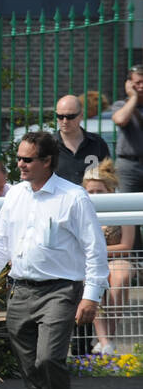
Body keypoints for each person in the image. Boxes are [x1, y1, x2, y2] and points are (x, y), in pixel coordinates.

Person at [0, 132, 108, 389]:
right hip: (20, 290)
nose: (19, 164)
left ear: (47, 161)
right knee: (30, 370)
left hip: (61, 291)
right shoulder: (15, 195)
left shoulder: (73, 197)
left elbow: (95, 250)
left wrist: (90, 296)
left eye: (27, 159)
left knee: (49, 361)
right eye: (18, 158)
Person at [81, 159, 134, 355]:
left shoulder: (123, 207)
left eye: (99, 192)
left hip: (116, 258)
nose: (94, 196)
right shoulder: (82, 209)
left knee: (120, 280)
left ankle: (107, 339)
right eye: (90, 191)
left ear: (110, 191)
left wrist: (98, 250)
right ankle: (104, 342)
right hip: (91, 262)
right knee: (92, 281)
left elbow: (126, 246)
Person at [55, 94, 111, 185]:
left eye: (70, 117)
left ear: (81, 115)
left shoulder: (97, 143)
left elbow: (108, 176)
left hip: (91, 197)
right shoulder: (48, 145)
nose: (65, 121)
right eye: (60, 116)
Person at [109, 65, 143, 194]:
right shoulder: (121, 105)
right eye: (137, 82)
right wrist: (133, 97)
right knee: (127, 204)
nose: (141, 86)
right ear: (129, 84)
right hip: (129, 166)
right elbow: (120, 120)